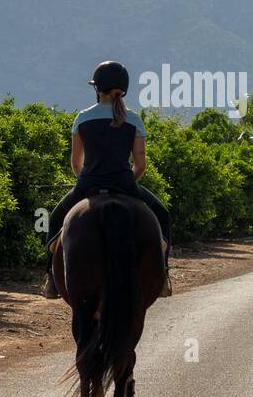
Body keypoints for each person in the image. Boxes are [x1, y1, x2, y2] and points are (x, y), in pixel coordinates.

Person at [43, 60, 172, 299]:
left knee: (55, 219)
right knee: (163, 215)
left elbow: (76, 164)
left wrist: (89, 180)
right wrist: (124, 181)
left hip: (87, 185)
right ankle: (163, 275)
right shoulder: (133, 120)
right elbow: (140, 165)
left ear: (97, 88)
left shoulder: (82, 118)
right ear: (123, 90)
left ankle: (51, 279)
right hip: (124, 184)